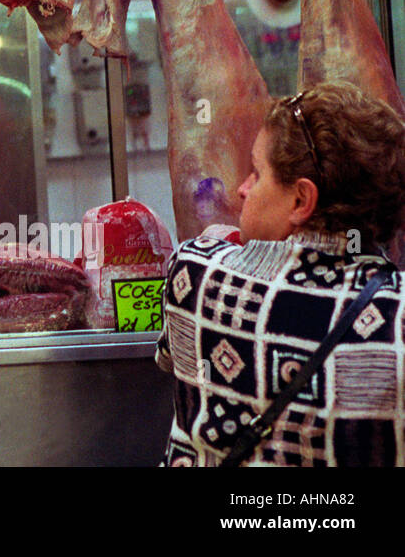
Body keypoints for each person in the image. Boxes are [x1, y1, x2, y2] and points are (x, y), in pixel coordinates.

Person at [156, 80, 405, 466]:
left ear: (301, 200)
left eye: (257, 173)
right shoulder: (398, 316)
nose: (242, 189)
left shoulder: (196, 274)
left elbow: (169, 359)